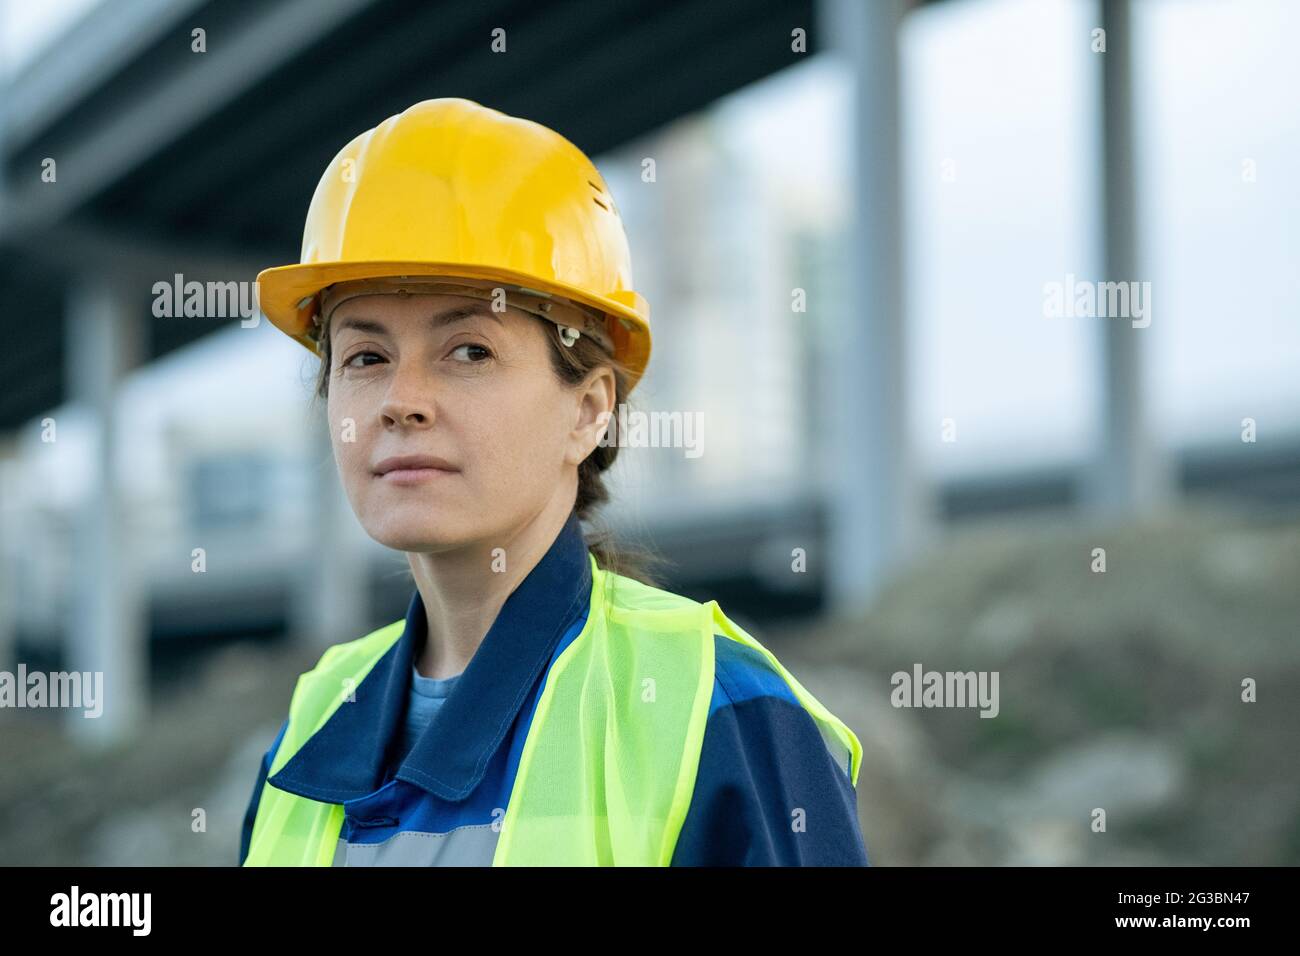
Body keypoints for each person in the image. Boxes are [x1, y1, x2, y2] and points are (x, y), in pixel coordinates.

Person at [239, 97, 869, 866]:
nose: (402, 401)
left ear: (589, 409)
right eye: (365, 357)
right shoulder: (308, 731)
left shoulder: (719, 711)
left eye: (468, 350)